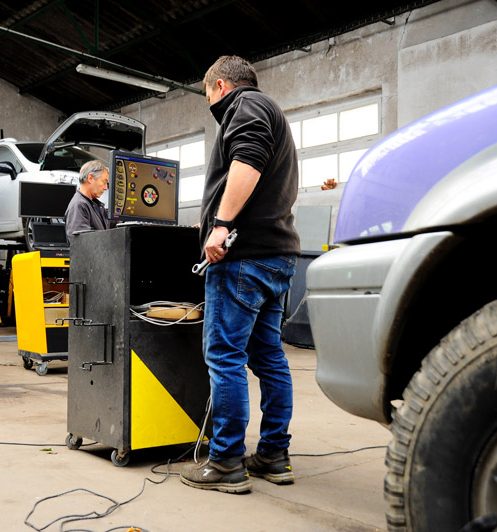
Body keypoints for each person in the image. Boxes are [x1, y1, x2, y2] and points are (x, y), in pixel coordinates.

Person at [180, 56, 301, 494]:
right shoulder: (271, 111)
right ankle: (273, 455)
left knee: (224, 355)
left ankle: (227, 461)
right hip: (275, 255)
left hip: (243, 257)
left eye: (207, 92)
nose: (208, 100)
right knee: (268, 355)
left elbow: (246, 162)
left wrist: (222, 223)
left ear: (219, 85)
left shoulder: (244, 106)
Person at [64, 159, 110, 238]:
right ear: (90, 178)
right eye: (104, 182)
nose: (106, 188)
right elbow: (82, 243)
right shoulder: (79, 205)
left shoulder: (95, 205)